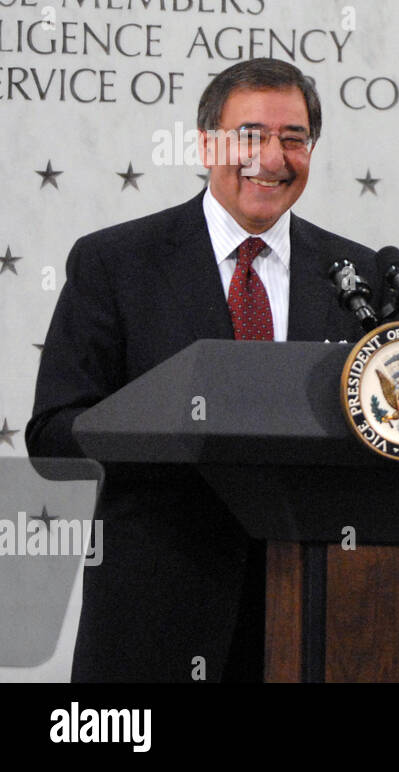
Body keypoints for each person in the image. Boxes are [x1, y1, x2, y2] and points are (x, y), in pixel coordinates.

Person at [26, 58, 380, 682]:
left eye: (292, 139)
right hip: (155, 617)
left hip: (315, 618)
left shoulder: (358, 277)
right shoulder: (116, 262)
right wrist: (177, 423)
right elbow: (53, 436)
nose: (270, 158)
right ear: (207, 142)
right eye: (250, 135)